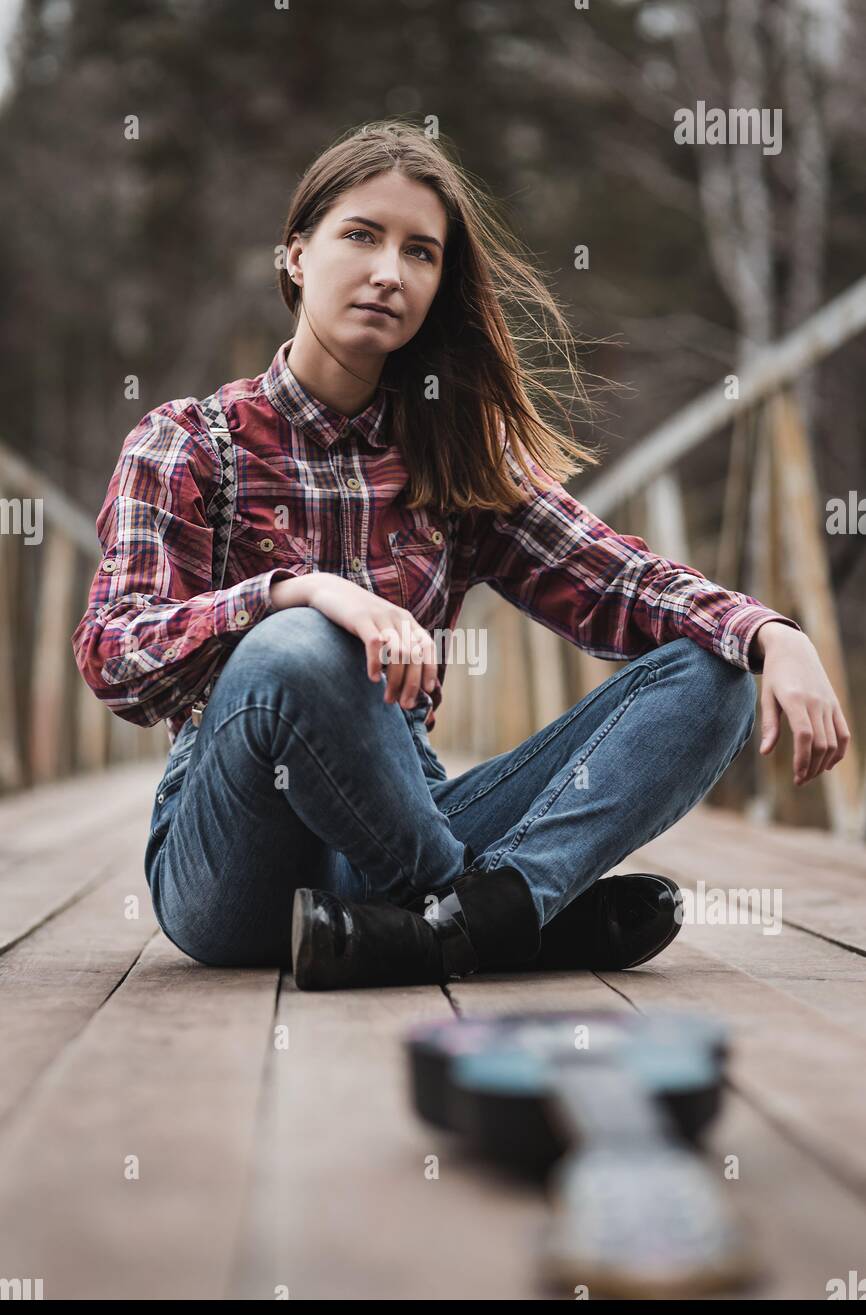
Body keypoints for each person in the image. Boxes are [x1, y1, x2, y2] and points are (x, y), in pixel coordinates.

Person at [72, 120, 850, 990]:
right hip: (236, 867)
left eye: (421, 253)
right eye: (361, 236)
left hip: (406, 822)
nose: (388, 272)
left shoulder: (456, 455)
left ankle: (463, 924)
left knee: (714, 677)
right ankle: (511, 916)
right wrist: (298, 593)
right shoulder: (186, 443)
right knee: (299, 645)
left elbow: (617, 581)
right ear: (295, 256)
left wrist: (771, 632)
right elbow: (114, 654)